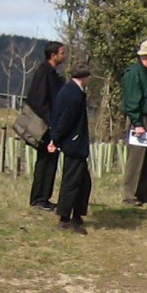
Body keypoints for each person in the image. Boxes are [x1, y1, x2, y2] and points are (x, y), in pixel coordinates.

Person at [48, 64, 93, 233]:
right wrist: (55, 139)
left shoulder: (70, 90)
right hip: (74, 143)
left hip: (73, 142)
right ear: (84, 76)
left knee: (83, 182)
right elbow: (65, 119)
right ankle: (65, 218)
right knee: (72, 182)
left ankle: (77, 215)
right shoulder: (74, 94)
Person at [119, 40, 147, 207]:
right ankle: (129, 194)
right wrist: (137, 123)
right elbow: (131, 101)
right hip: (140, 119)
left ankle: (143, 193)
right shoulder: (133, 73)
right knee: (137, 158)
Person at [22, 41, 65, 210]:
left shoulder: (53, 73)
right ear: (53, 55)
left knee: (50, 161)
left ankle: (44, 197)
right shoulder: (44, 72)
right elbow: (39, 100)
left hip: (52, 124)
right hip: (46, 125)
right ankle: (39, 198)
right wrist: (51, 122)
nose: (64, 56)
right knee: (45, 161)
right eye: (62, 53)